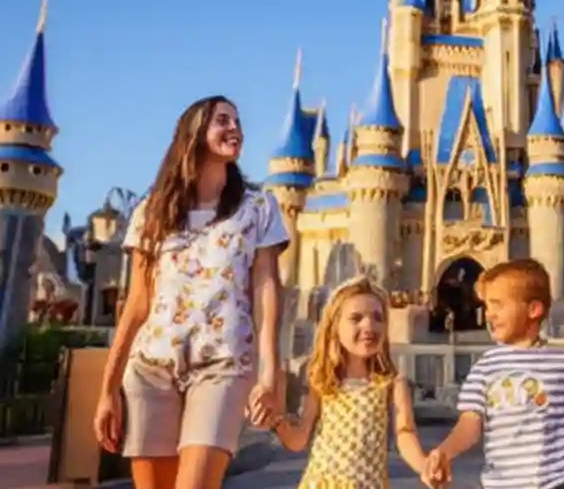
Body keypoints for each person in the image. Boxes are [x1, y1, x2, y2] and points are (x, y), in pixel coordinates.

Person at [93, 95, 288, 489]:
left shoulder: (258, 208)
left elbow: (267, 289)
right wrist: (107, 389)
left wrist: (271, 372)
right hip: (151, 367)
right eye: (222, 120)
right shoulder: (152, 211)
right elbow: (136, 305)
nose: (235, 128)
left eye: (237, 120)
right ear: (193, 134)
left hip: (223, 363)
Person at [425, 259, 564, 489]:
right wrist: (444, 452)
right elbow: (470, 425)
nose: (489, 315)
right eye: (488, 307)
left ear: (533, 309)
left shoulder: (563, 360)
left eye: (498, 305)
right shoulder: (486, 366)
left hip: (552, 484)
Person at [250, 276, 433, 488]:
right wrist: (278, 422)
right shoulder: (324, 380)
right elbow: (299, 439)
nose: (369, 325)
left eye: (377, 317)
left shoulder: (391, 383)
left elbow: (405, 434)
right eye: (356, 318)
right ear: (334, 327)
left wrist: (424, 465)